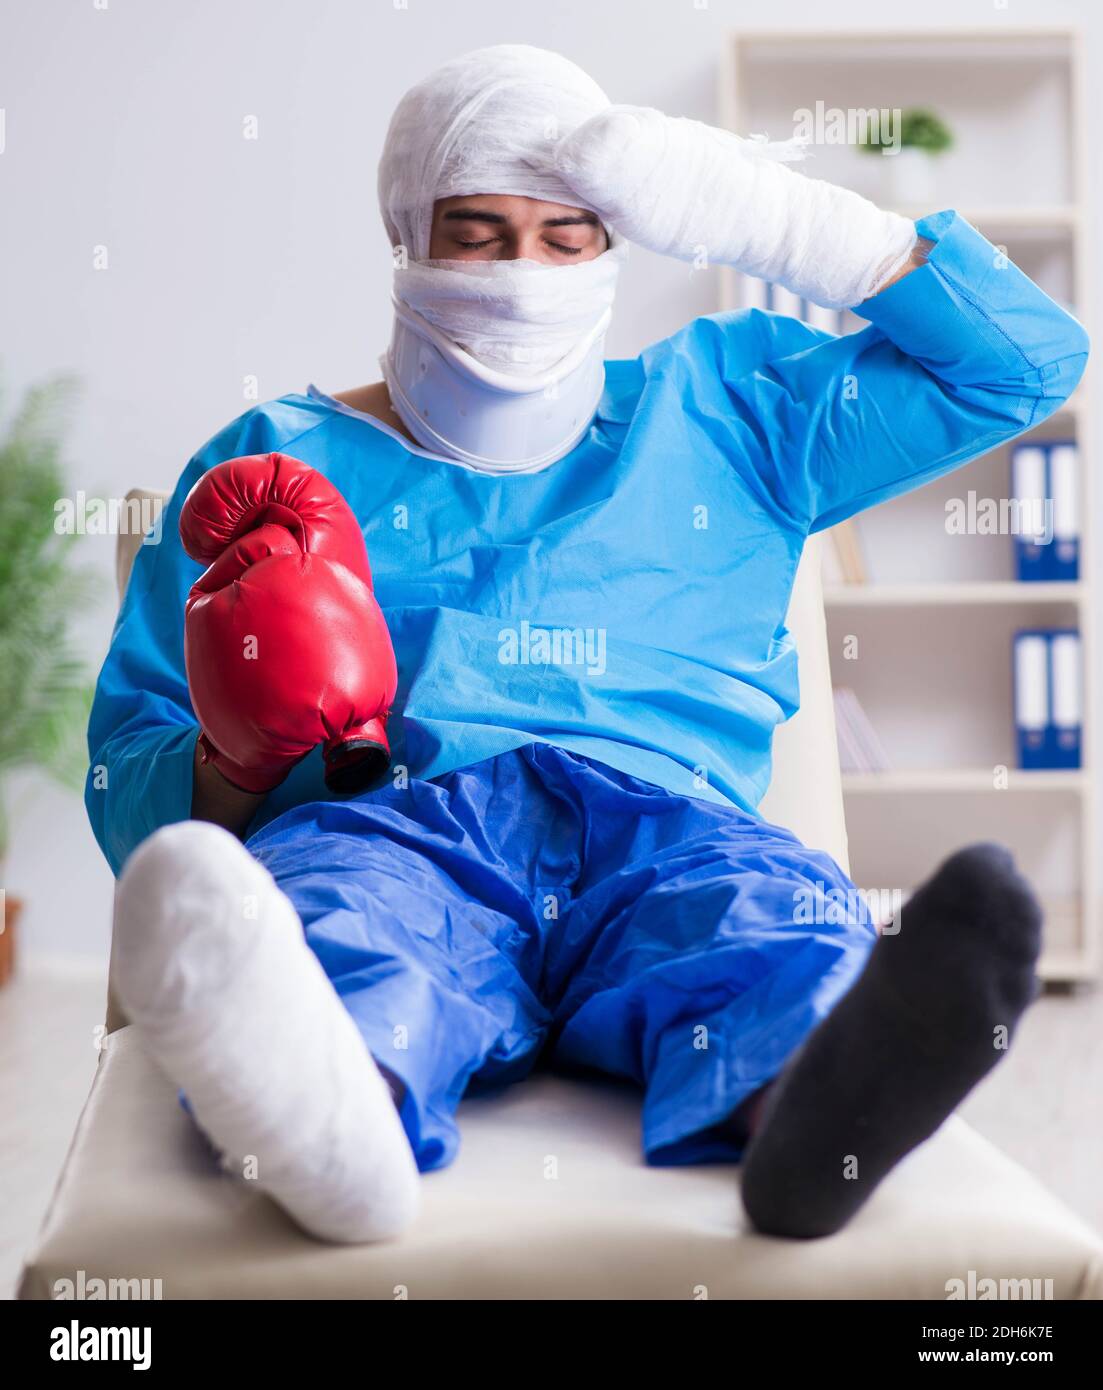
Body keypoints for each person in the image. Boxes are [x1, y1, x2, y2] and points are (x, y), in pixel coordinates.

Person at [87, 45, 1087, 1244]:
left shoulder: (731, 408)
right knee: (339, 929)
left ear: (619, 244)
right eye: (477, 234)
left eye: (569, 238)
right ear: (406, 237)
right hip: (394, 832)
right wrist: (237, 760)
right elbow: (129, 784)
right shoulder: (274, 465)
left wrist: (769, 215)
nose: (525, 272)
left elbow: (1024, 362)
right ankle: (340, 1123)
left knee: (765, 926)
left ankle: (808, 1118)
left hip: (674, 830)